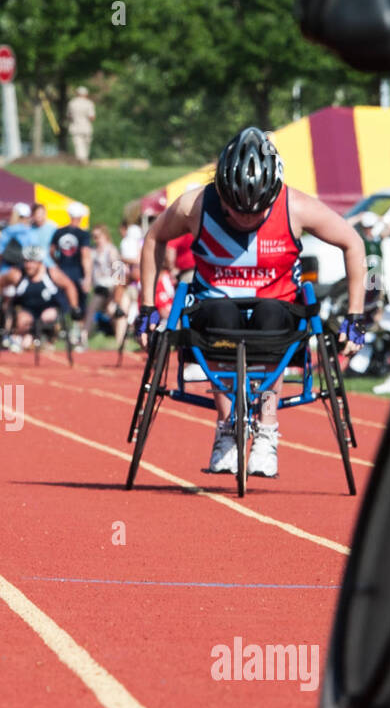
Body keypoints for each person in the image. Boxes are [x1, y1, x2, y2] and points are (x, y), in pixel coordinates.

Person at [137, 126, 367, 477]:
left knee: (272, 315)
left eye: (256, 211)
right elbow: (154, 237)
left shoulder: (296, 206)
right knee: (220, 314)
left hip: (277, 307)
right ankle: (228, 426)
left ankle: (267, 430)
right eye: (235, 210)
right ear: (221, 194)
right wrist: (148, 308)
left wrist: (355, 316)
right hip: (215, 305)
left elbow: (354, 243)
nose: (245, 218)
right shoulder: (194, 206)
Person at [5, 245, 79, 351]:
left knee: (47, 316)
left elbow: (69, 286)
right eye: (27, 261)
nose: (29, 265)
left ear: (40, 262)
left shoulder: (52, 273)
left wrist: (74, 307)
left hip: (48, 308)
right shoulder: (17, 274)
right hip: (28, 310)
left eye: (32, 262)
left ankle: (46, 337)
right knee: (22, 320)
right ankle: (24, 338)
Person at [50, 201, 92, 347]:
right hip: (77, 273)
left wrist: (57, 263)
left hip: (62, 273)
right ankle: (79, 336)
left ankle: (55, 336)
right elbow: (85, 255)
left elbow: (52, 251)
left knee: (60, 305)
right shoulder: (83, 234)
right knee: (79, 306)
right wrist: (87, 277)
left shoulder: (58, 232)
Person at [66, 87, 96, 164]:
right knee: (86, 144)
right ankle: (84, 159)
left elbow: (69, 116)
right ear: (86, 94)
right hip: (86, 127)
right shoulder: (89, 103)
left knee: (78, 144)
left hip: (75, 126)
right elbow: (92, 117)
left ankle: (81, 158)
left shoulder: (72, 103)